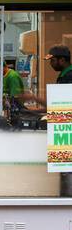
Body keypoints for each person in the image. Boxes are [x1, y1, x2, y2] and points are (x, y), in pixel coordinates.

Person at [46, 46, 72, 197]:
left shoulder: (68, 77)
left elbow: (63, 104)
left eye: (53, 60)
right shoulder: (64, 75)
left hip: (67, 130)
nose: (51, 64)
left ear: (62, 60)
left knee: (67, 170)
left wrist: (35, 99)